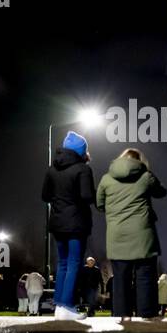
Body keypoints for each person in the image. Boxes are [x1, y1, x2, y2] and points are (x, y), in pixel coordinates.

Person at [97, 148, 167, 319]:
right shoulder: (145, 177)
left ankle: (122, 316)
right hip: (143, 236)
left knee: (120, 279)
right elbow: (162, 192)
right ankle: (147, 316)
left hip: (117, 236)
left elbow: (99, 204)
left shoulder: (106, 179)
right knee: (145, 277)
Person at [41, 131, 96, 320]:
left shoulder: (51, 169)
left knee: (63, 263)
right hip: (76, 223)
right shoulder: (83, 169)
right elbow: (87, 196)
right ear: (82, 151)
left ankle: (59, 306)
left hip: (57, 222)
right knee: (74, 263)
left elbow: (45, 196)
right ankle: (67, 306)